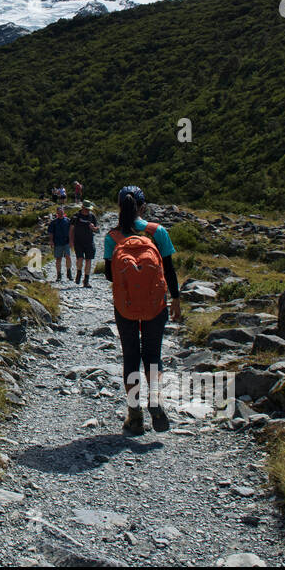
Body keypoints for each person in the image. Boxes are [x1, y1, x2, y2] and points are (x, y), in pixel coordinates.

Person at [102, 185, 181, 435]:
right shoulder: (158, 232)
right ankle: (155, 400)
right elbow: (168, 270)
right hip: (155, 305)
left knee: (131, 357)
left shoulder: (112, 237)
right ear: (143, 207)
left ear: (119, 207)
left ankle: (135, 415)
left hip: (125, 307)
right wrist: (176, 300)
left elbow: (108, 275)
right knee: (153, 355)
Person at [68, 200, 99, 286]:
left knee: (89, 260)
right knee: (80, 259)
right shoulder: (76, 216)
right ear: (82, 208)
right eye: (86, 209)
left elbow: (97, 230)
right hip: (78, 242)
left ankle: (86, 280)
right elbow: (71, 229)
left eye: (88, 209)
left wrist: (94, 228)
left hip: (89, 242)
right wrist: (71, 241)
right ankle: (79, 272)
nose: (87, 211)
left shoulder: (92, 216)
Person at [46, 206, 73, 282]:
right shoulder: (54, 222)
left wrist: (71, 241)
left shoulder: (68, 220)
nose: (60, 214)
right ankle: (59, 275)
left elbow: (71, 231)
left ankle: (69, 272)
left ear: (63, 212)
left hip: (66, 242)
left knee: (68, 256)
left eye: (61, 212)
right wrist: (51, 241)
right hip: (57, 242)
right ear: (57, 213)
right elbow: (51, 232)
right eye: (59, 213)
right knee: (58, 259)